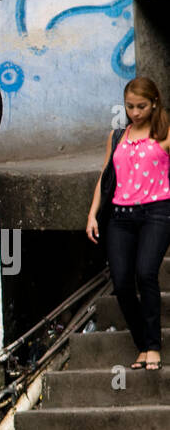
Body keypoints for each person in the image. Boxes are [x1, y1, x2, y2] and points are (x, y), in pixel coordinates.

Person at [87, 76, 170, 370]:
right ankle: (142, 344)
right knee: (122, 283)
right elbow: (106, 176)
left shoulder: (165, 133)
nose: (135, 112)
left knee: (145, 273)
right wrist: (92, 213)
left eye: (141, 106)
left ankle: (153, 346)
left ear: (154, 102)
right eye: (130, 106)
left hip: (156, 213)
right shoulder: (116, 136)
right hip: (119, 218)